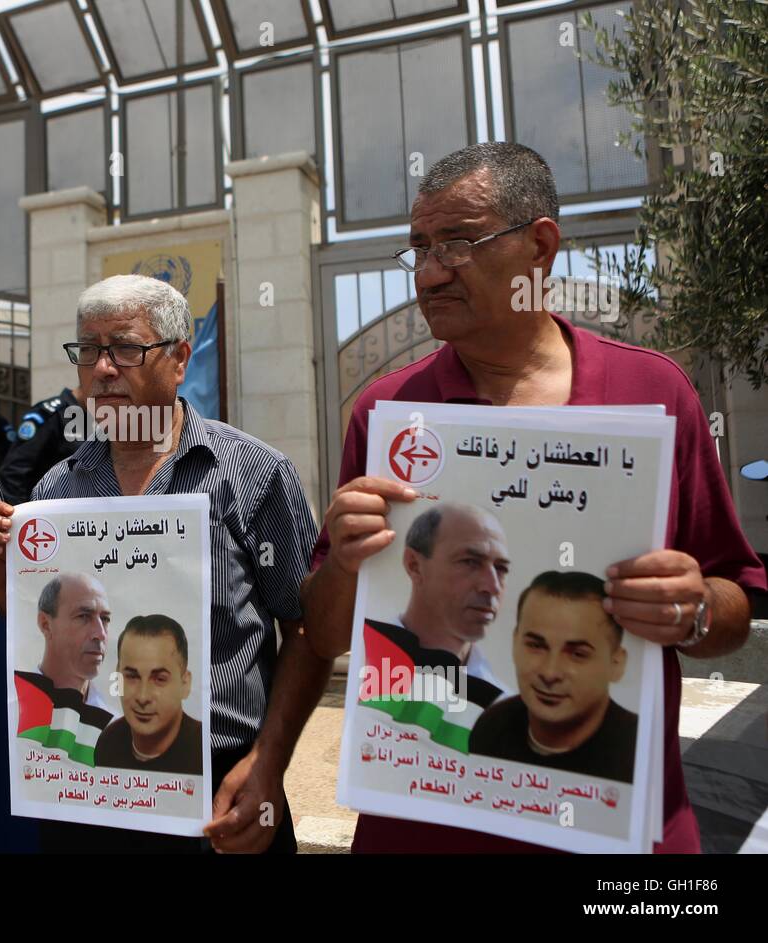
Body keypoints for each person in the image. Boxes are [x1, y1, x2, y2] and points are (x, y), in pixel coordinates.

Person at [300, 142, 766, 853]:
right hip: (420, 827)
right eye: (417, 248)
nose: (427, 274)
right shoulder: (387, 411)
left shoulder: (654, 394)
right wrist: (344, 564)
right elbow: (327, 635)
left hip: (622, 832)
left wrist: (694, 605)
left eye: (456, 244)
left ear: (540, 245)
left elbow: (737, 602)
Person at [0, 274, 329, 854]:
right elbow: (49, 630)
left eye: (126, 348)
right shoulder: (57, 490)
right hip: (85, 789)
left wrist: (267, 764)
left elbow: (307, 630)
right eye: (88, 351)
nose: (103, 369)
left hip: (219, 792)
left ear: (180, 359)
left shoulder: (254, 475)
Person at [470, 571, 637, 783]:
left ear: (616, 663)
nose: (550, 673)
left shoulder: (638, 751)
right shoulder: (491, 728)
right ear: (515, 643)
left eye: (578, 654)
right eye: (536, 646)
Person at [363, 504, 509, 716]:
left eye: (501, 568)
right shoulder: (364, 663)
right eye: (470, 562)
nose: (492, 586)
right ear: (414, 565)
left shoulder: (507, 710)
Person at [13, 574, 114, 765]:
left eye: (105, 619)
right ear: (45, 624)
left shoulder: (117, 728)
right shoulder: (12, 710)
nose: (100, 634)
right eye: (84, 617)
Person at [94, 614, 203, 776]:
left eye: (159, 679)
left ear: (185, 684)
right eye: (131, 676)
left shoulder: (202, 750)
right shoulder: (108, 742)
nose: (143, 697)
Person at [0, 386, 82, 504]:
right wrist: (24, 517)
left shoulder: (95, 415)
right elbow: (13, 474)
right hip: (48, 513)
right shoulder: (50, 415)